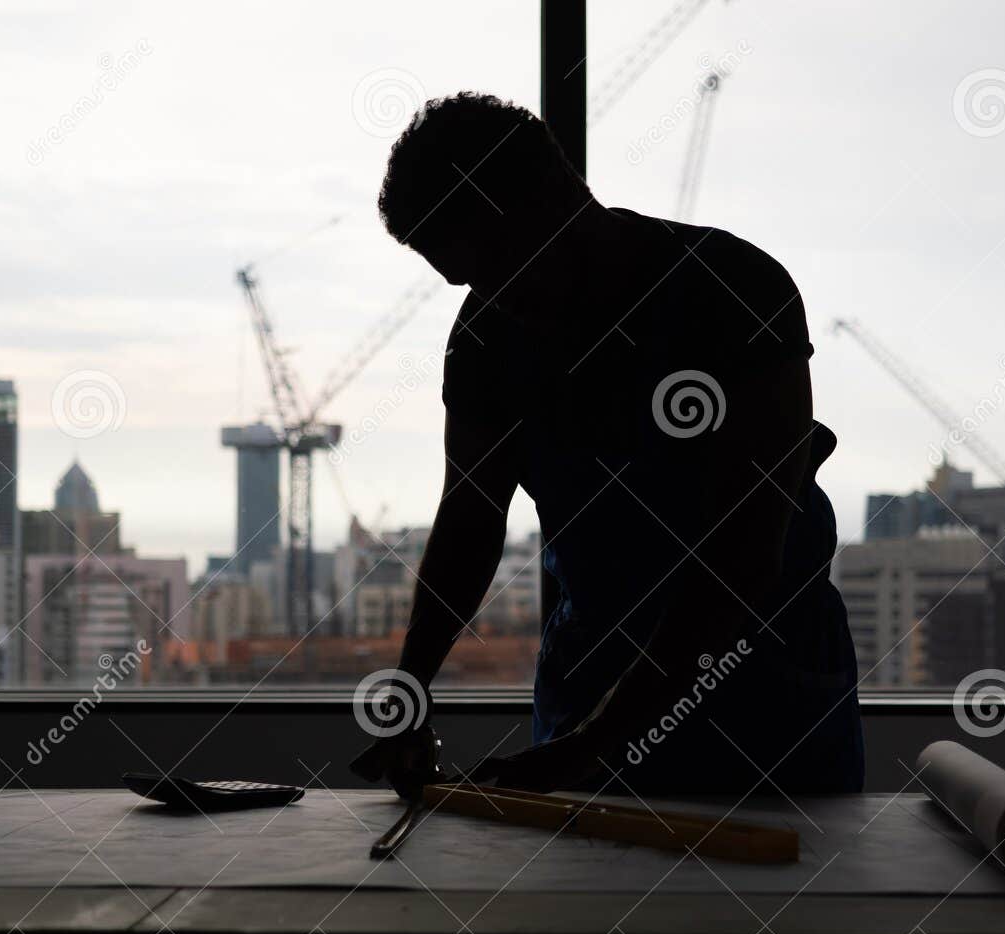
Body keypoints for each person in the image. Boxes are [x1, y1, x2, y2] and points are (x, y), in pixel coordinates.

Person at [351, 92, 862, 799]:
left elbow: (742, 554)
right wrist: (411, 685)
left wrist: (595, 742)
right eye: (468, 283)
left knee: (787, 866)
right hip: (593, 668)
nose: (490, 299)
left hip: (765, 680)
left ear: (547, 201)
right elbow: (470, 517)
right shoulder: (488, 338)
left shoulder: (735, 291)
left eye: (496, 268)